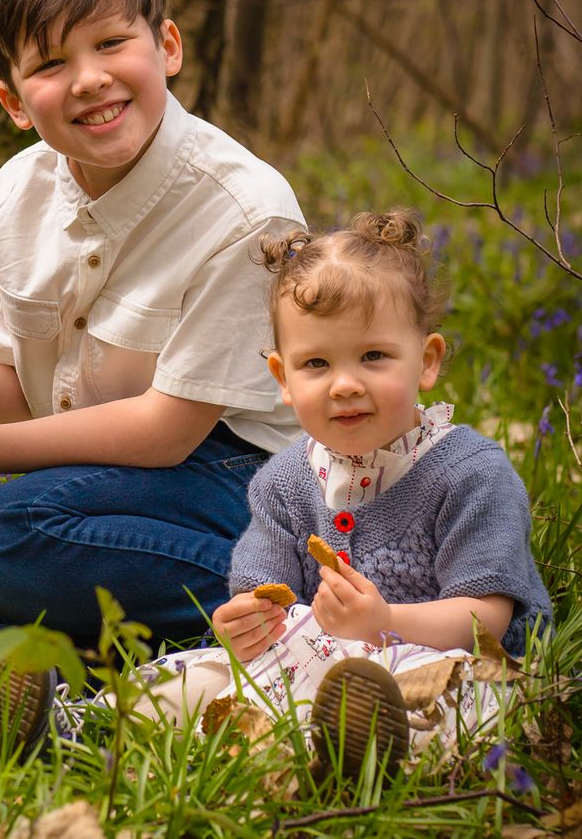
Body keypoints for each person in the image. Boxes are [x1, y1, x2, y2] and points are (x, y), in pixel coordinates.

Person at [0, 0, 304, 646]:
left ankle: (302, 598)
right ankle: (101, 644)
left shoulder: (245, 210)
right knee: (12, 538)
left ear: (167, 46)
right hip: (116, 474)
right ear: (14, 101)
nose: (89, 79)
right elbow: (16, 391)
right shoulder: (14, 193)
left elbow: (167, 433)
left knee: (3, 535)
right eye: (50, 62)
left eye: (110, 44)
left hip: (243, 474)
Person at [96, 209, 553, 770]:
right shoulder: (285, 483)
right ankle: (84, 722)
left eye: (374, 356)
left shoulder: (472, 474)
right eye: (315, 363)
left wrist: (384, 624)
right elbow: (261, 594)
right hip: (316, 660)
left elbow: (486, 621)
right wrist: (240, 623)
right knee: (199, 677)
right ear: (283, 380)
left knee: (462, 706)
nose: (344, 384)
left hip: (445, 658)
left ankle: (347, 746)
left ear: (427, 361)